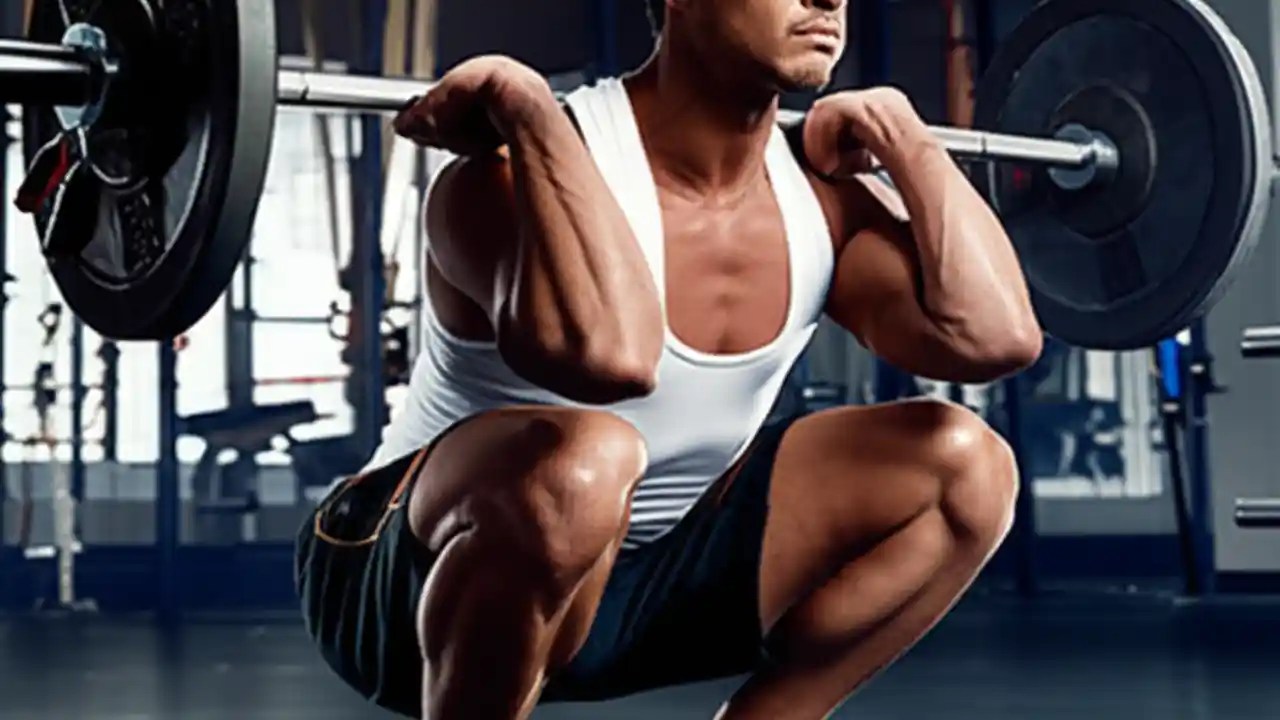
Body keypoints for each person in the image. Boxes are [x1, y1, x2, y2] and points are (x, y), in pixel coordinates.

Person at [294, 0, 1043, 717]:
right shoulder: (511, 173)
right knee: (589, 457)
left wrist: (903, 137)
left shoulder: (820, 202)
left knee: (966, 468)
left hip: (644, 578)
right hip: (394, 592)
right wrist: (528, 109)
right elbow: (609, 360)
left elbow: (993, 337)